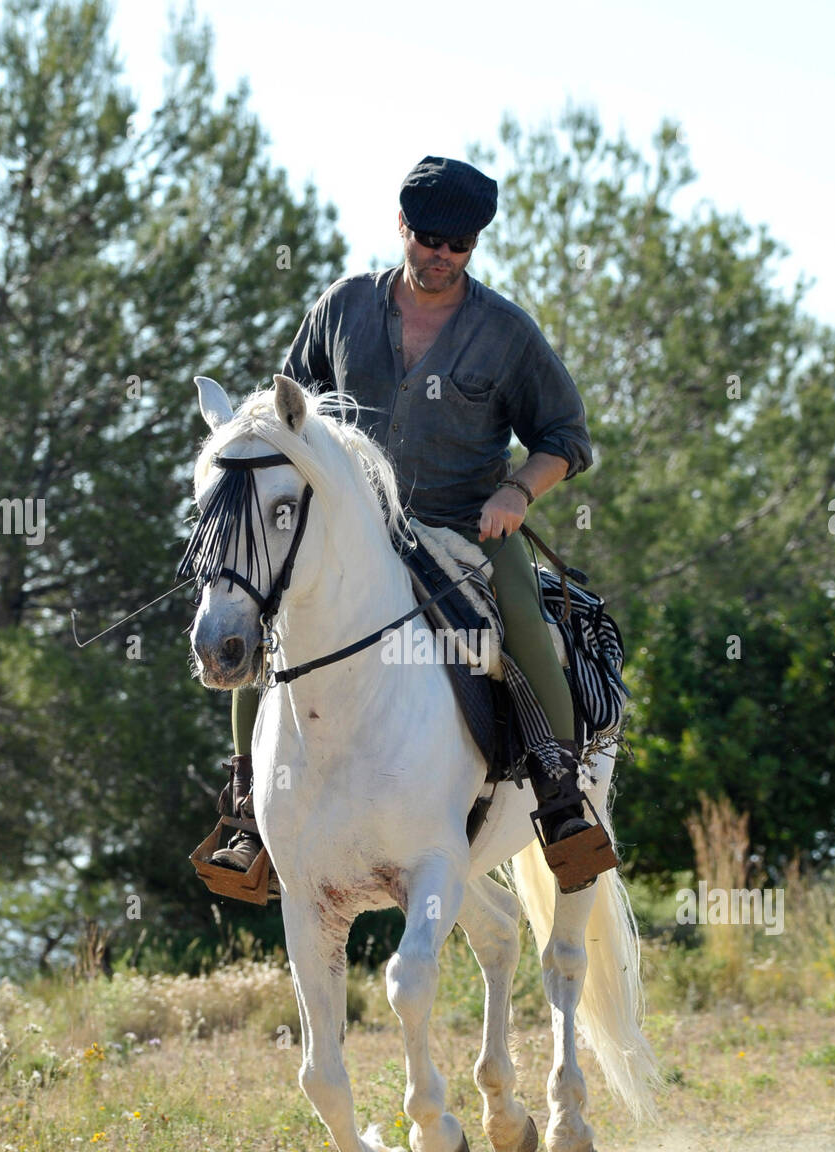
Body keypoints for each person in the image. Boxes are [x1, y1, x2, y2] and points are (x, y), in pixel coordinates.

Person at [211, 155, 604, 891]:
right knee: (258, 602)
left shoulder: (506, 333)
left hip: (463, 525)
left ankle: (558, 796)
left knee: (521, 618)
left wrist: (517, 491)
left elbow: (566, 437)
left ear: (474, 245)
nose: (440, 256)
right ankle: (242, 812)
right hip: (348, 525)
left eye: (457, 245)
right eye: (428, 238)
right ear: (402, 226)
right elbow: (288, 414)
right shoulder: (341, 307)